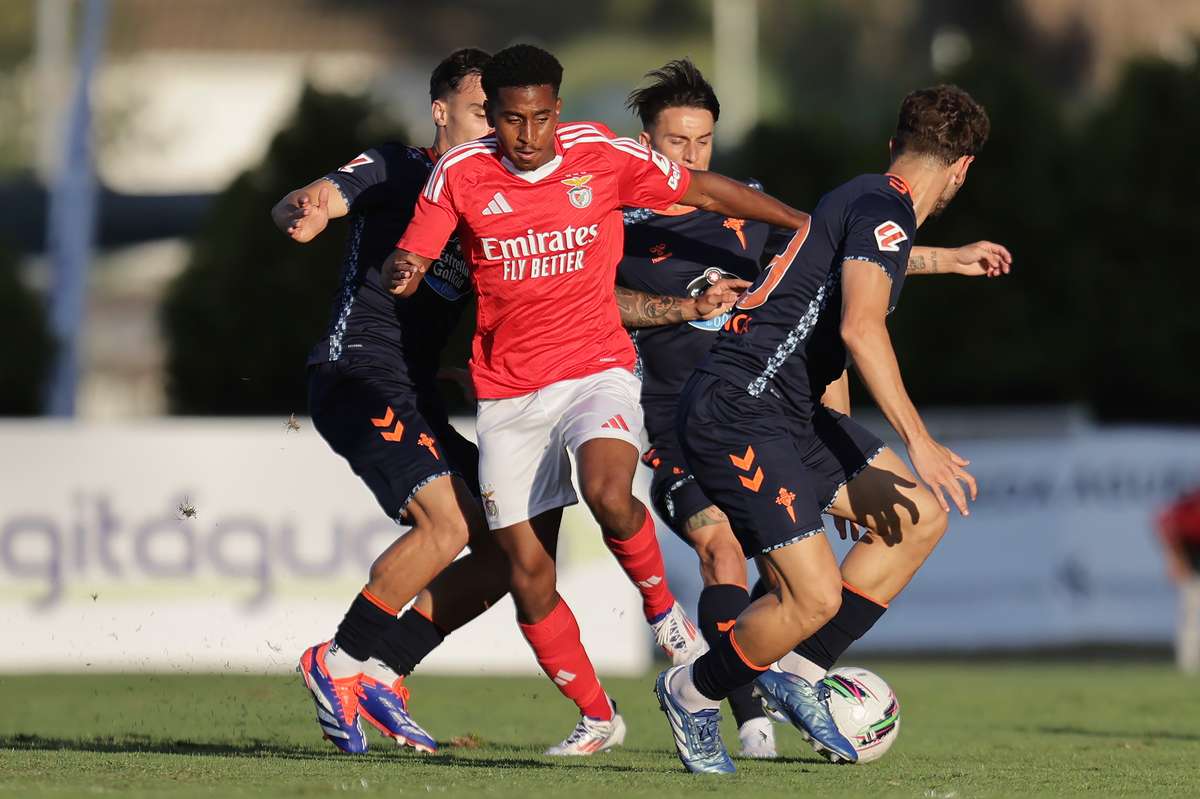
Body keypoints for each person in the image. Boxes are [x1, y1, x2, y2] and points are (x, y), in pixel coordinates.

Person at [383, 43, 813, 754]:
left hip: (596, 368)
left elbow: (706, 189)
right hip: (509, 391)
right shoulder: (460, 172)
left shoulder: (598, 152)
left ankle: (661, 611)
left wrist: (801, 221)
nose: (528, 137)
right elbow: (417, 253)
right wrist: (404, 268)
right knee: (527, 573)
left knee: (611, 490)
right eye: (512, 121)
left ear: (558, 107)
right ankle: (596, 716)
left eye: (541, 118)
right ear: (490, 114)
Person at [620, 62, 1010, 761]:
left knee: (919, 519)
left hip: (788, 413)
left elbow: (856, 277)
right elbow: (862, 327)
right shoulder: (882, 210)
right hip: (738, 410)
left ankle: (799, 674)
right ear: (963, 170)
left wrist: (947, 259)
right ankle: (692, 692)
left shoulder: (866, 200)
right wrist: (916, 438)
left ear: (896, 145)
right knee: (814, 596)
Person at [271, 49, 511, 755]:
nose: (494, 128)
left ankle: (381, 669)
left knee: (515, 547)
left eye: (501, 115)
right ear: (440, 112)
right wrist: (304, 210)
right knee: (446, 525)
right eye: (479, 113)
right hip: (357, 373)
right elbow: (311, 196)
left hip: (416, 390)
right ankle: (336, 661)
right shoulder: (400, 166)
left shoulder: (489, 200)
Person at [1158, 488, 1200, 673]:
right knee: (1190, 616)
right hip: (1193, 568)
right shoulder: (1188, 507)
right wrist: (1174, 560)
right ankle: (1189, 664)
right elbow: (1165, 526)